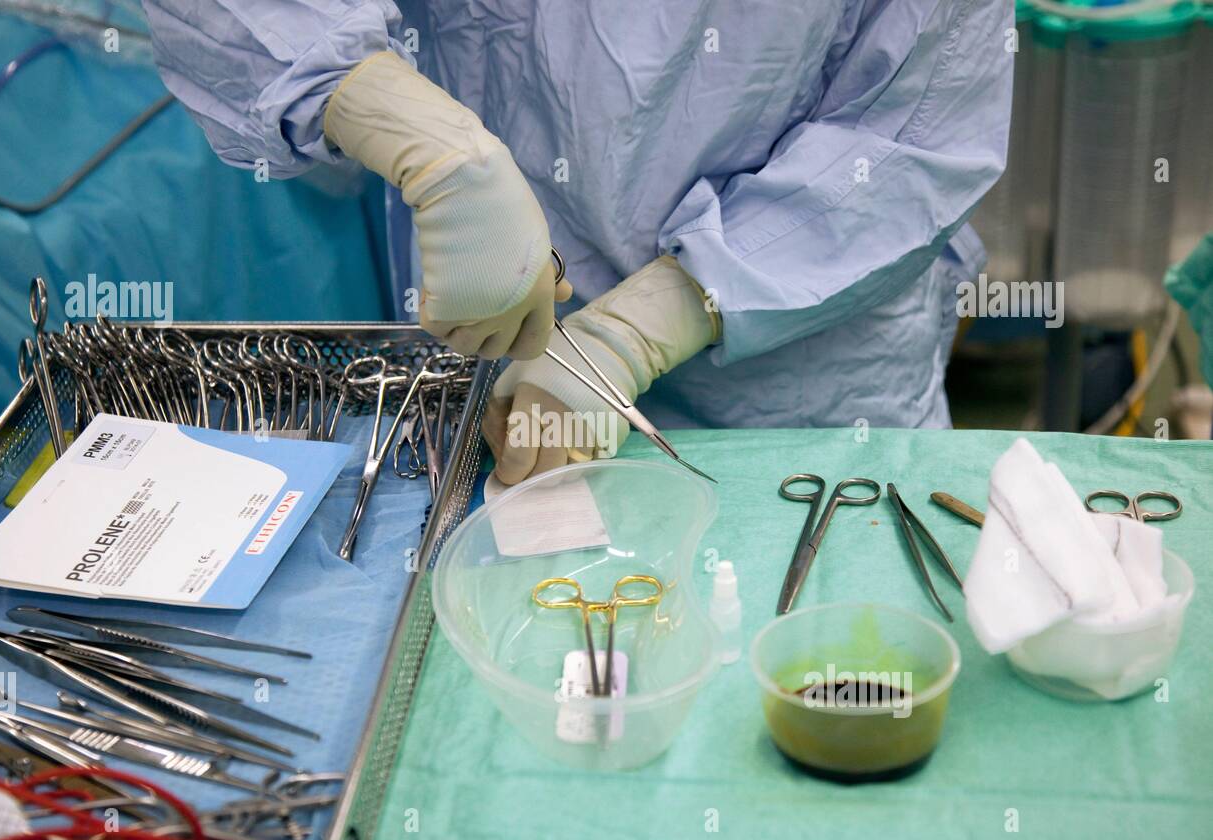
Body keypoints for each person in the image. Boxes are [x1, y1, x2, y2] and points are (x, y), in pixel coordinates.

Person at [142, 0, 1013, 483]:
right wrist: (410, 129)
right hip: (506, 352)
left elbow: (910, 135)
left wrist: (641, 326)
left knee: (820, 659)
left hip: (804, 393)